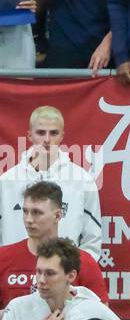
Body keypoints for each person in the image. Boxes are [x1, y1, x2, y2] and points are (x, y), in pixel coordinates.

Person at [0, 109, 101, 255]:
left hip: (63, 274)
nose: (47, 139)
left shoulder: (82, 181)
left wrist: (73, 270)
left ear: (62, 136)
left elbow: (93, 239)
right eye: (40, 133)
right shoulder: (6, 182)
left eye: (53, 133)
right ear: (30, 135)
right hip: (15, 274)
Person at [0, 239, 130, 320]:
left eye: (49, 273)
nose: (40, 280)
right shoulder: (17, 308)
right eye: (38, 272)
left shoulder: (95, 310)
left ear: (71, 276)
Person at [0, 182, 107, 307]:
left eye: (36, 212)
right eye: (25, 211)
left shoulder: (82, 261)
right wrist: (17, 316)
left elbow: (101, 317)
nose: (28, 219)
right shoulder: (3, 258)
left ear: (57, 215)